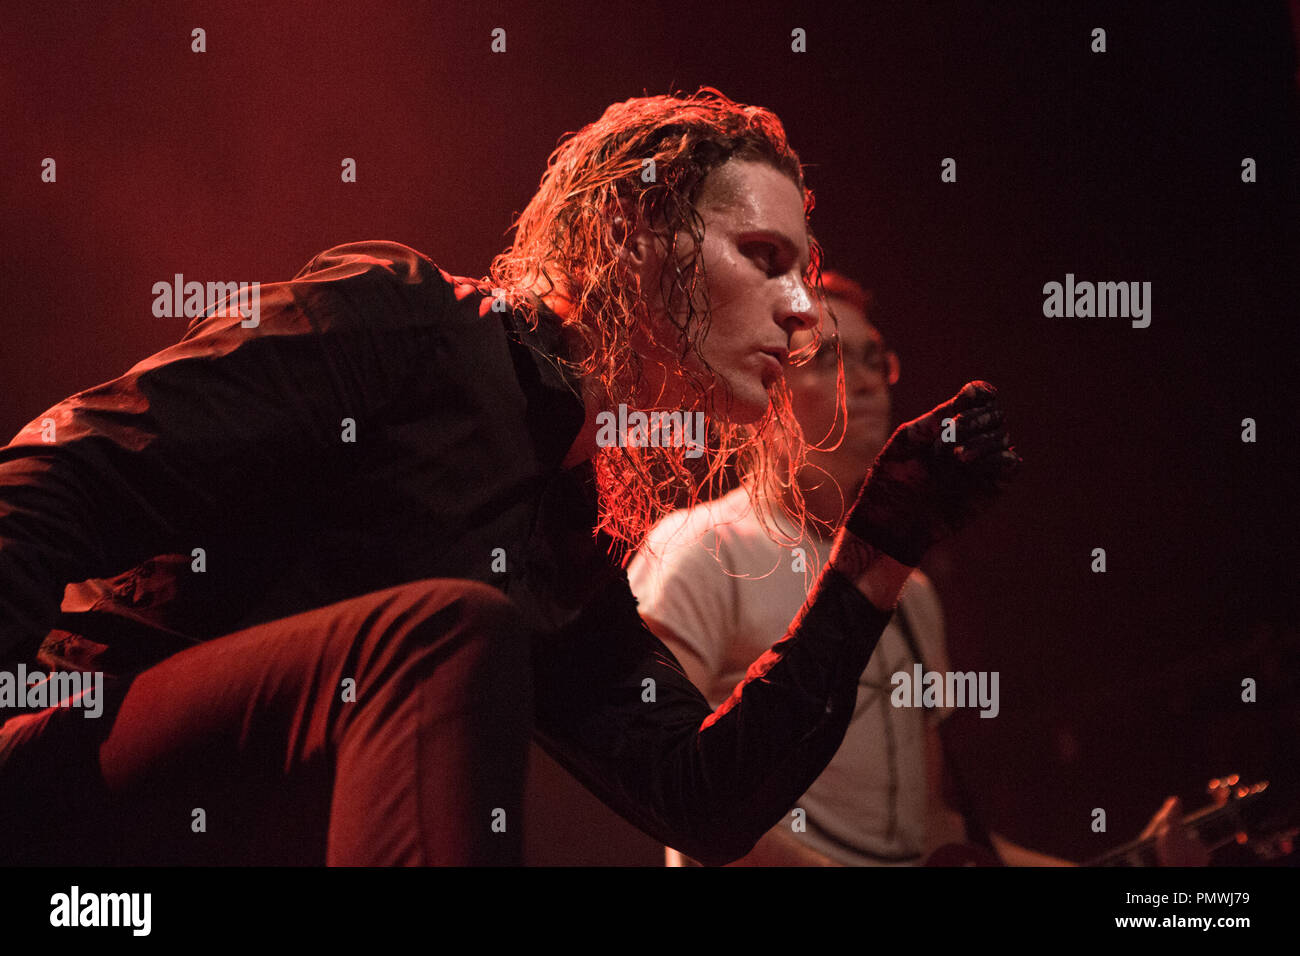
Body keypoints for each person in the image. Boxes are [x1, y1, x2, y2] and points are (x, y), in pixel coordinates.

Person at [0, 89, 1019, 866]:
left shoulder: (561, 541)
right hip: (67, 783)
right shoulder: (405, 323)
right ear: (634, 231)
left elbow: (701, 796)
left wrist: (878, 550)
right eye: (764, 255)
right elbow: (49, 478)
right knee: (445, 630)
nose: (803, 314)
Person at [630, 273, 1208, 867]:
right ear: (767, 382)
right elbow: (669, 788)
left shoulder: (911, 593)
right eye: (826, 356)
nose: (866, 378)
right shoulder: (700, 550)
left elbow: (926, 830)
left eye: (873, 357)